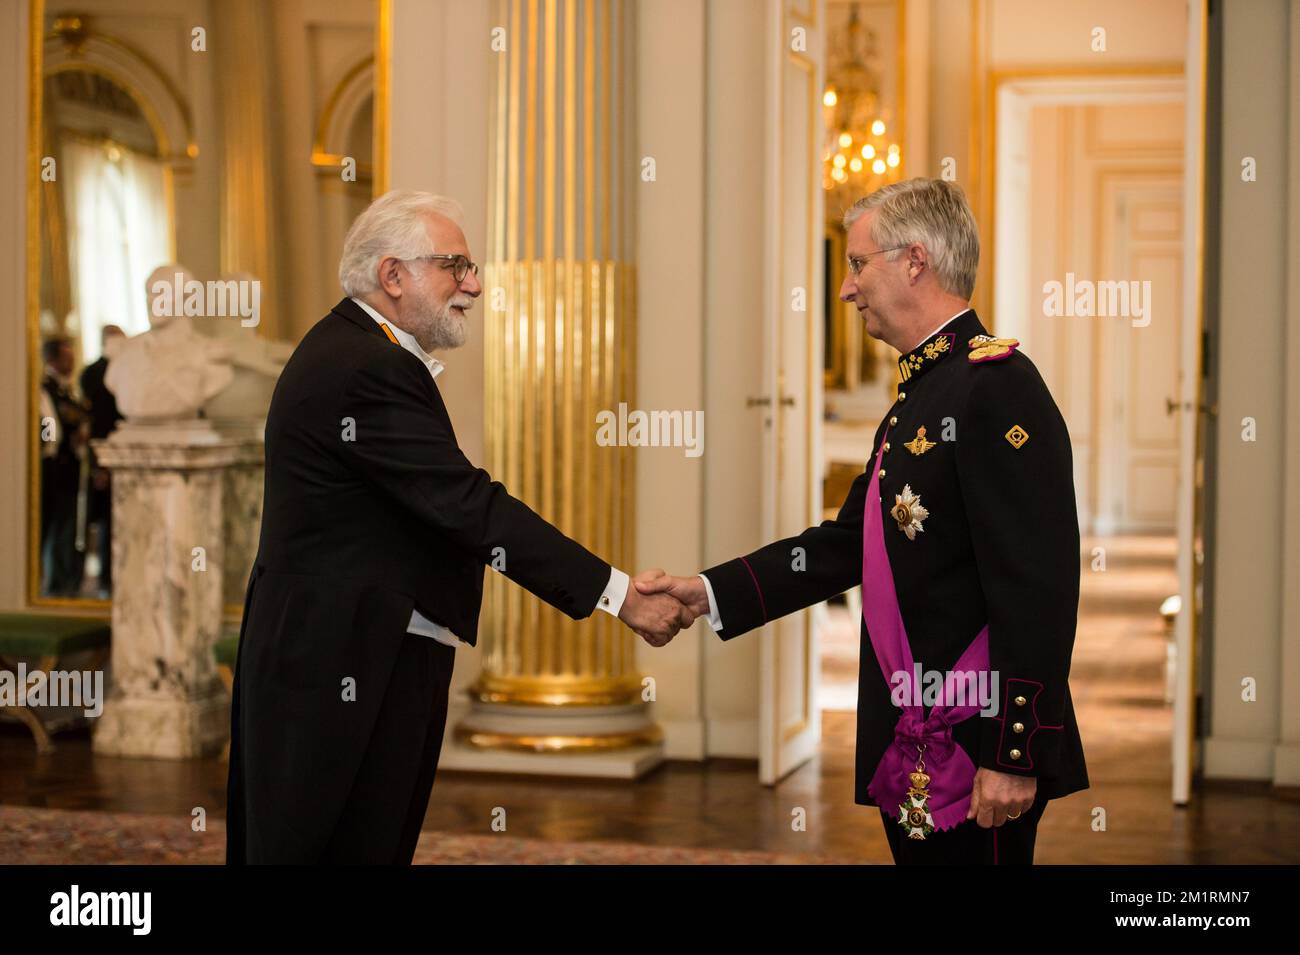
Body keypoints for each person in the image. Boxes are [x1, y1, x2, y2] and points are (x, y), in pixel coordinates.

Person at [226, 191, 693, 864]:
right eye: (455, 265)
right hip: (338, 662)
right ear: (393, 275)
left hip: (356, 651)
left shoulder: (364, 351)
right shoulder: (367, 366)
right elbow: (472, 506)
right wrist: (620, 594)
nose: (474, 284)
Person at [637, 178, 1089, 865]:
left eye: (856, 263)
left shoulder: (996, 387)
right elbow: (847, 545)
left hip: (973, 739)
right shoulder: (925, 392)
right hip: (913, 728)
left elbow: (1039, 588)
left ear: (914, 260)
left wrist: (1013, 753)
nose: (845, 290)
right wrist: (708, 592)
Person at [79, 325, 126, 596]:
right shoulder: (94, 374)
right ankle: (106, 580)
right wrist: (100, 465)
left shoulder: (127, 368)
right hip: (106, 459)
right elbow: (95, 424)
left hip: (124, 456)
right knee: (107, 524)